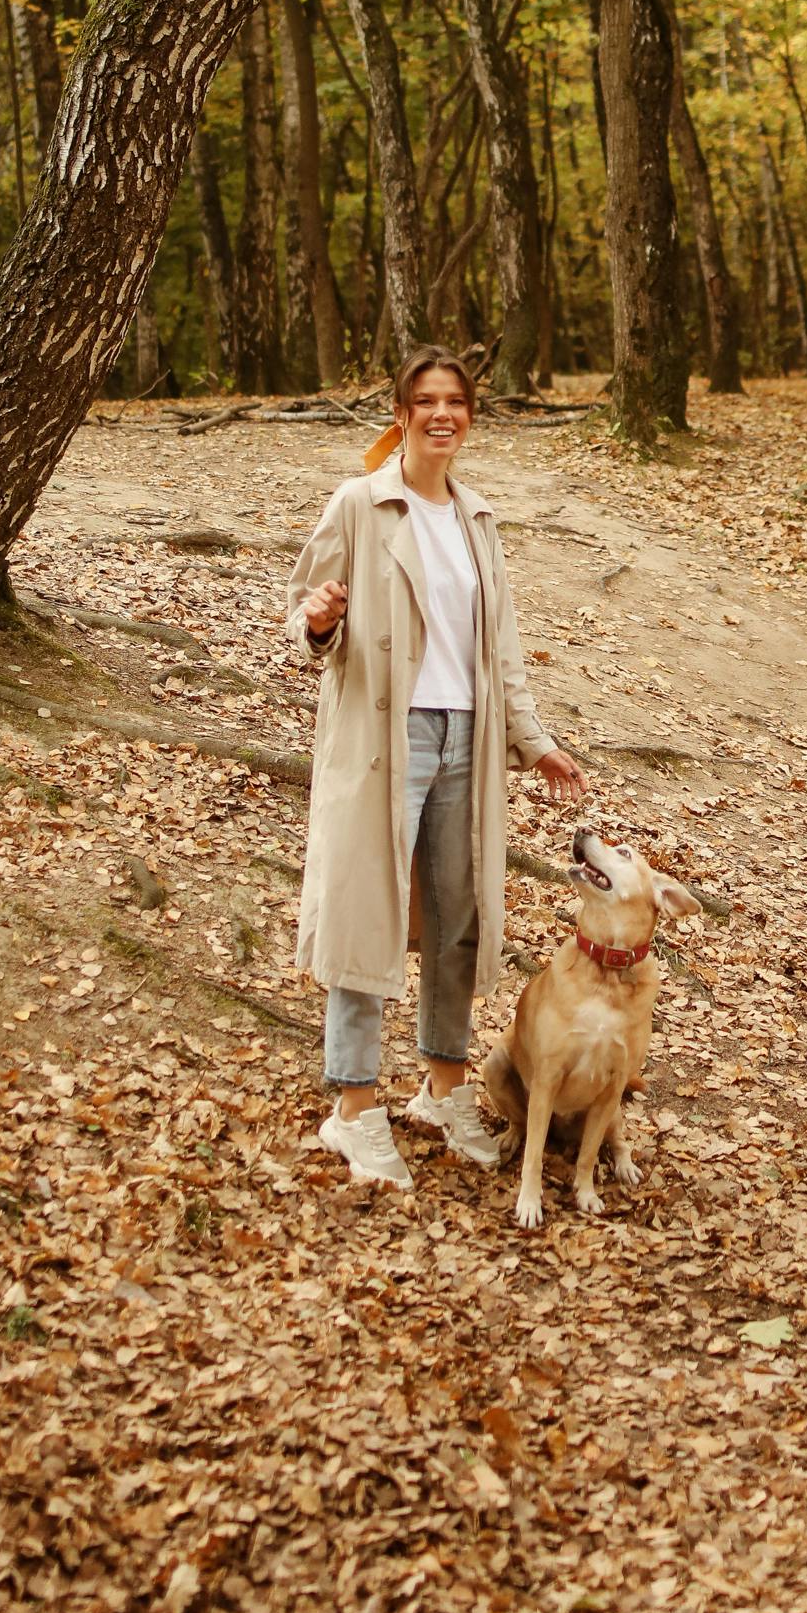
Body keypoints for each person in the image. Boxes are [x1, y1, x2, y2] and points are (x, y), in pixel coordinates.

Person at [283, 347, 586, 1186]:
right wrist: (317, 621)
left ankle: (444, 1088)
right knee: (364, 914)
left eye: (456, 401)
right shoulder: (360, 503)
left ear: (471, 416)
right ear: (401, 413)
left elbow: (501, 649)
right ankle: (351, 1108)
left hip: (469, 738)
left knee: (457, 917)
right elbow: (304, 612)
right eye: (426, 401)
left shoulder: (477, 519)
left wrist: (532, 737)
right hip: (384, 734)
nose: (442, 414)